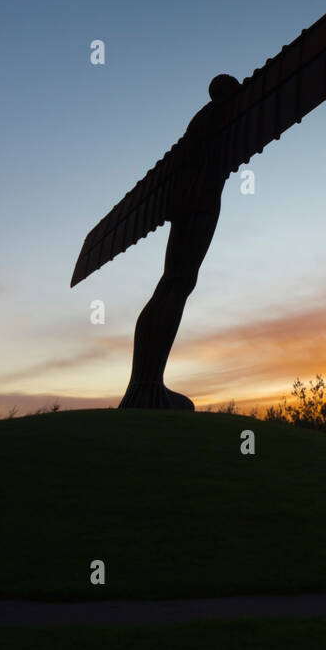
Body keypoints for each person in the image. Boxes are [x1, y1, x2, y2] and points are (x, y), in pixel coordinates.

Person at [118, 74, 242, 410]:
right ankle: (146, 386)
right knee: (178, 282)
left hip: (187, 203)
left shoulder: (198, 124)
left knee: (172, 282)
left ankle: (144, 383)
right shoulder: (220, 117)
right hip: (200, 203)